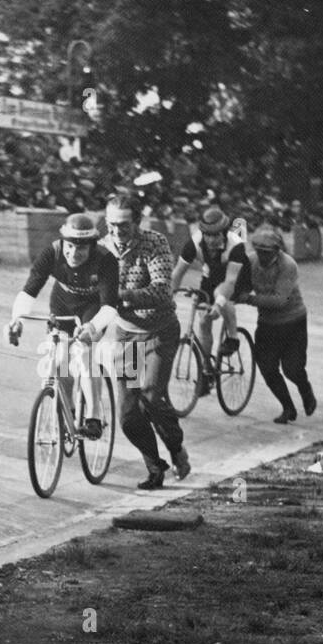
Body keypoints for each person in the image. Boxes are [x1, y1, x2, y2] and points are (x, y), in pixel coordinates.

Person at [7, 212, 120, 440]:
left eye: (81, 249)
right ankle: (68, 413)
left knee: (84, 352)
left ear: (92, 246)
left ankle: (94, 418)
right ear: (63, 242)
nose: (73, 254)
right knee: (61, 361)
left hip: (93, 308)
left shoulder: (106, 259)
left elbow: (109, 307)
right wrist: (16, 319)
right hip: (63, 304)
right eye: (70, 247)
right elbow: (30, 290)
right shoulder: (53, 252)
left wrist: (91, 327)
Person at [104, 194, 189, 488]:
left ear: (137, 222)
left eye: (124, 225)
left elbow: (162, 290)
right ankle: (155, 467)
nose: (117, 232)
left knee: (152, 398)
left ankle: (176, 448)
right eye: (111, 225)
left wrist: (123, 297)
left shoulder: (155, 243)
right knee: (127, 414)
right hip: (127, 334)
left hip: (159, 330)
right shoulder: (102, 248)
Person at [227, 225, 316, 423]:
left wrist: (247, 299)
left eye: (267, 253)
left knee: (292, 369)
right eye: (259, 252)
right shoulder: (251, 261)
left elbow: (279, 300)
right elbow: (240, 285)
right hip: (267, 324)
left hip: (293, 322)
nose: (262, 256)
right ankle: (288, 408)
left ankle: (305, 389)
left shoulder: (288, 265)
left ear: (277, 251)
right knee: (267, 368)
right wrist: (226, 296)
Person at [169, 206, 248, 396]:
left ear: (224, 232)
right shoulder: (193, 243)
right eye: (207, 235)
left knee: (224, 297)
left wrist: (219, 303)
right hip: (211, 273)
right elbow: (177, 274)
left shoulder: (236, 245)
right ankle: (206, 371)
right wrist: (168, 298)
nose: (211, 240)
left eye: (216, 235)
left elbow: (230, 282)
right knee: (203, 321)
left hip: (237, 274)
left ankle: (233, 338)